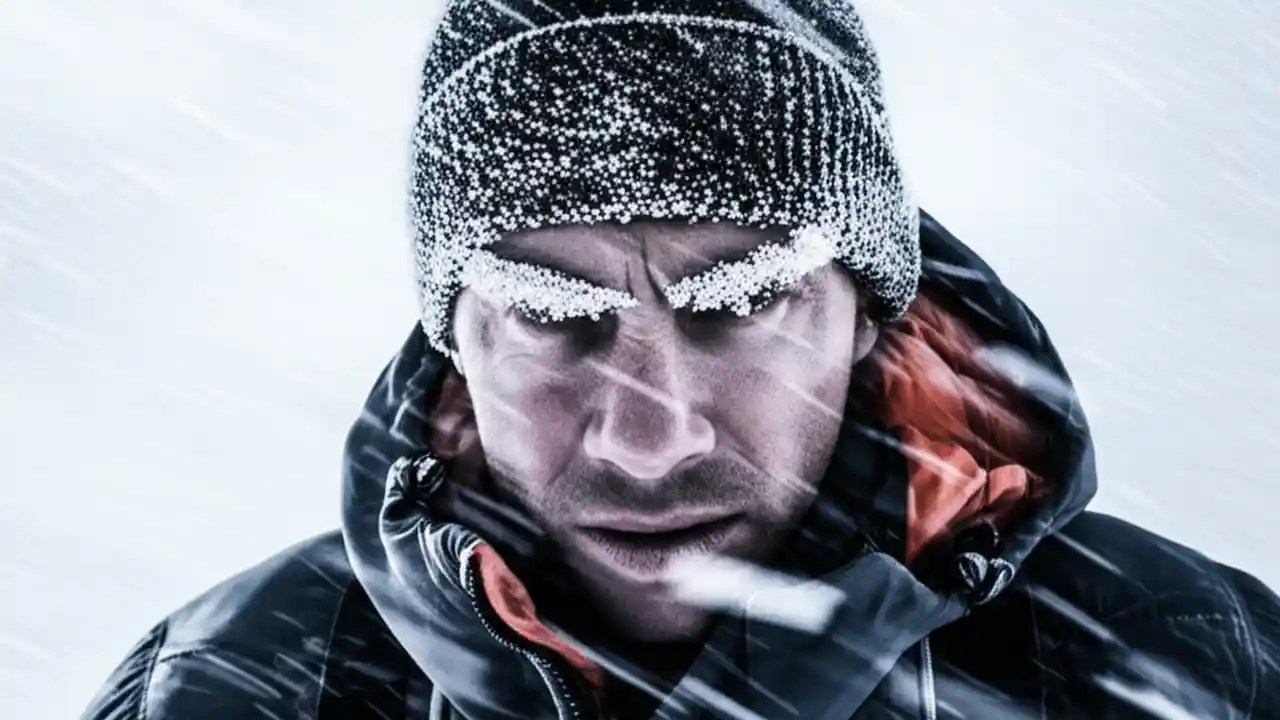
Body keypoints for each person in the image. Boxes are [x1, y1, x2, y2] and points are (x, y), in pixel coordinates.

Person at [83, 1, 1279, 718]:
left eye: (739, 302)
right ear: (457, 337)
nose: (648, 434)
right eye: (552, 313)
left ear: (870, 315)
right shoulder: (234, 688)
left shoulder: (1195, 665)